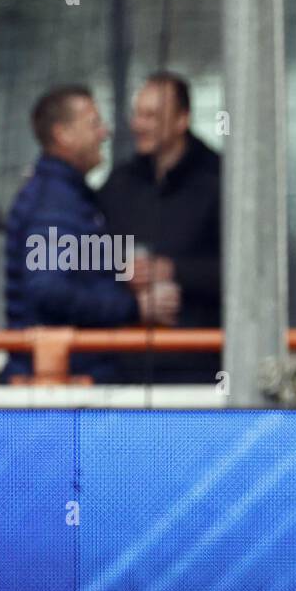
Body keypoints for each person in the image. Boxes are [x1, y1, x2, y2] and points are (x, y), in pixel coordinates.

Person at [3, 85, 177, 383]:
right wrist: (135, 307)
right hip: (62, 386)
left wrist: (120, 271)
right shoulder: (54, 203)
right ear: (63, 134)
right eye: (94, 123)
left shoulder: (71, 195)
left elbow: (74, 267)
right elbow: (48, 289)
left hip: (78, 377)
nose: (105, 133)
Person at [100, 72, 221, 383]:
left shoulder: (219, 181)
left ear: (182, 120)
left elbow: (251, 277)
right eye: (137, 114)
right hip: (125, 364)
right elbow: (93, 256)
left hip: (201, 368)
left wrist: (174, 271)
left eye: (151, 115)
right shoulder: (119, 183)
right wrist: (120, 271)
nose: (138, 125)